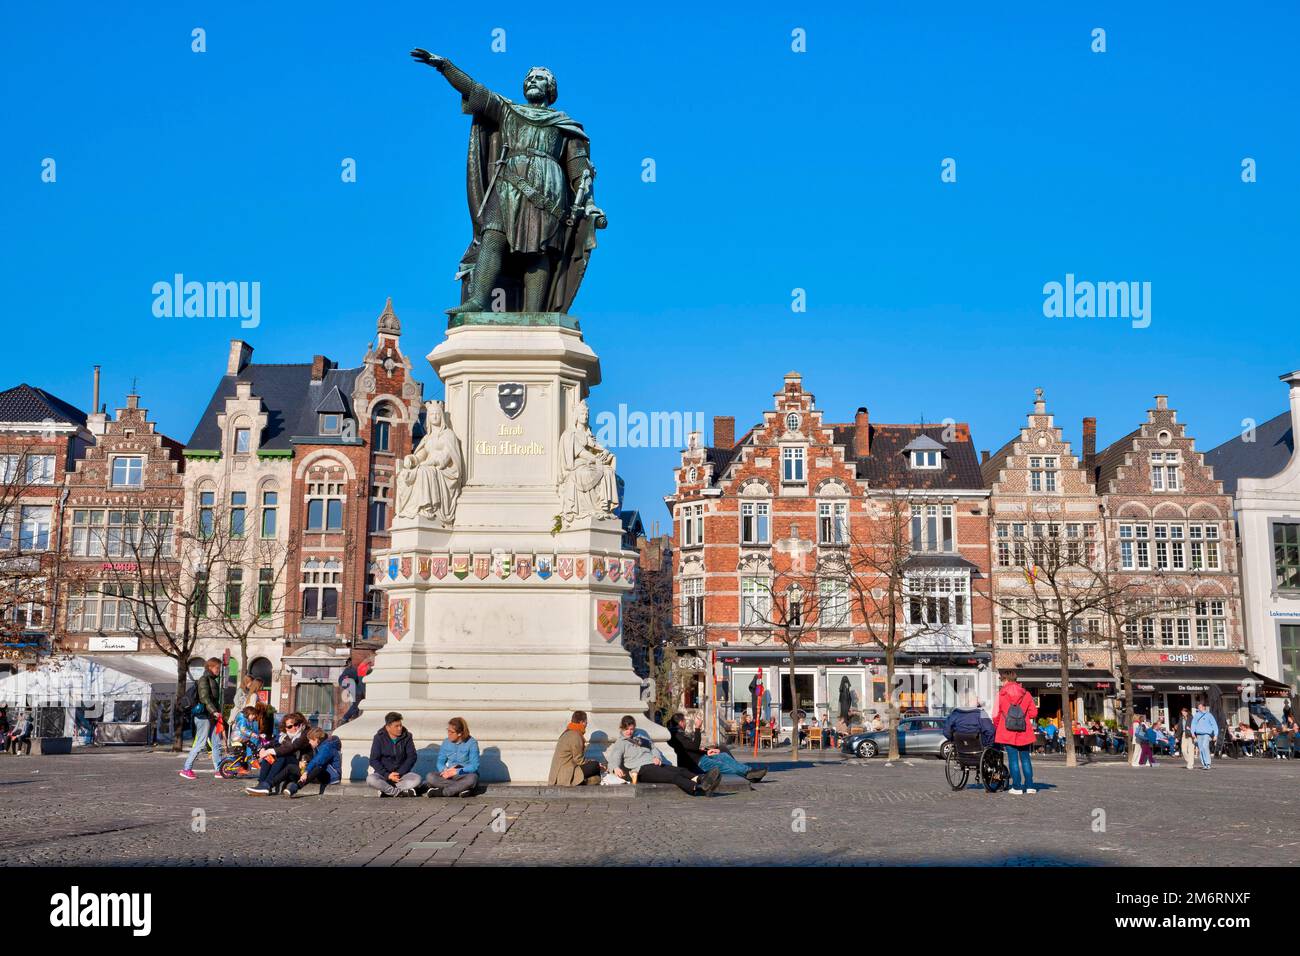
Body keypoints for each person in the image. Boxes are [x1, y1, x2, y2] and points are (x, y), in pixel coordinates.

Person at [605, 716, 721, 795]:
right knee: (672, 777)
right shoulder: (621, 743)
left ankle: (702, 779)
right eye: (627, 729)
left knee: (680, 770)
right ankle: (698, 788)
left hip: (654, 764)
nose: (629, 732)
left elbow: (653, 748)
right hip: (641, 769)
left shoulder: (640, 737)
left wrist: (657, 757)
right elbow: (615, 757)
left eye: (631, 729)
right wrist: (615, 768)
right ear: (622, 728)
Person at [668, 712, 766, 782]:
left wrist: (706, 752)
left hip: (701, 758)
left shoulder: (679, 734)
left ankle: (750, 771)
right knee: (725, 766)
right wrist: (697, 728)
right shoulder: (677, 735)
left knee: (723, 756)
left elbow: (691, 749)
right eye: (684, 721)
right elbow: (694, 746)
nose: (685, 723)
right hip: (698, 763)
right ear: (681, 722)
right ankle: (750, 775)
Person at [992, 670, 1038, 794]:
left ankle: (1016, 787)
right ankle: (1030, 786)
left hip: (1007, 732)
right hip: (1024, 732)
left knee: (1013, 760)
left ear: (1006, 680)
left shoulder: (1001, 694)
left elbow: (995, 715)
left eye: (1002, 680)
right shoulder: (1026, 694)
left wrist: (997, 727)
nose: (1002, 683)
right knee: (1025, 759)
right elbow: (1034, 713)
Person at [179, 658, 224, 780]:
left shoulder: (212, 680)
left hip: (211, 716)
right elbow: (204, 698)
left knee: (216, 743)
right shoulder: (204, 680)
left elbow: (214, 699)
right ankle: (186, 769)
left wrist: (217, 712)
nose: (218, 670)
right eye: (217, 668)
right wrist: (214, 711)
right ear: (210, 667)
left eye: (219, 668)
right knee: (201, 743)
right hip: (203, 716)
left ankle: (219, 770)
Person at [244, 713, 312, 795]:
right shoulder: (284, 735)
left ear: (300, 724)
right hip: (287, 764)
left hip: (300, 765)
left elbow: (292, 747)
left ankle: (266, 785)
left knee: (281, 756)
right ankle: (261, 784)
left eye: (296, 724)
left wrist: (270, 751)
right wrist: (264, 749)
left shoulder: (305, 734)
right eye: (290, 726)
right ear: (285, 727)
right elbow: (272, 743)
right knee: (269, 756)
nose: (294, 728)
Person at [366, 712, 421, 796]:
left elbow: (412, 757)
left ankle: (386, 790)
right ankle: (397, 792)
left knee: (417, 779)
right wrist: (387, 775)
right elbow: (373, 760)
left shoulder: (407, 736)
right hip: (384, 775)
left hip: (401, 775)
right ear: (388, 727)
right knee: (370, 779)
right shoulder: (378, 737)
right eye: (396, 726)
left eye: (400, 725)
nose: (400, 728)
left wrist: (399, 773)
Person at [425, 717, 480, 798]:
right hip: (448, 775)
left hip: (463, 774)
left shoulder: (472, 743)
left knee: (472, 779)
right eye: (448, 730)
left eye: (451, 732)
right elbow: (440, 762)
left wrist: (456, 771)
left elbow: (474, 766)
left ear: (460, 733)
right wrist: (444, 770)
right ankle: (462, 789)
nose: (448, 734)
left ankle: (444, 792)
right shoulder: (446, 742)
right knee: (430, 777)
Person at [547, 710, 603, 786]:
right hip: (564, 775)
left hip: (558, 774)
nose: (586, 724)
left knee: (595, 775)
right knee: (595, 765)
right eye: (586, 722)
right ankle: (590, 780)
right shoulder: (575, 735)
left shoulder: (567, 732)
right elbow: (579, 760)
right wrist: (593, 762)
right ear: (581, 722)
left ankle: (590, 780)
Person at [286, 727, 342, 798]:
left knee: (317, 767)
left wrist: (306, 772)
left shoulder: (326, 747)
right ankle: (269, 785)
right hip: (324, 772)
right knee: (291, 767)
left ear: (316, 739)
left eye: (310, 740)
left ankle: (296, 786)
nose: (309, 742)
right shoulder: (319, 746)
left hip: (332, 777)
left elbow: (317, 761)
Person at [1191, 701, 1219, 770]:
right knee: (1201, 749)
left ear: (1204, 707)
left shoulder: (1209, 715)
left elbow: (1214, 724)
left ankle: (1208, 763)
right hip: (1199, 734)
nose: (1199, 708)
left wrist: (1215, 735)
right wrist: (1192, 733)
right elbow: (1193, 724)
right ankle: (1204, 764)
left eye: (1200, 707)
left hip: (1206, 734)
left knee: (1204, 747)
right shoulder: (1196, 715)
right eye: (1198, 707)